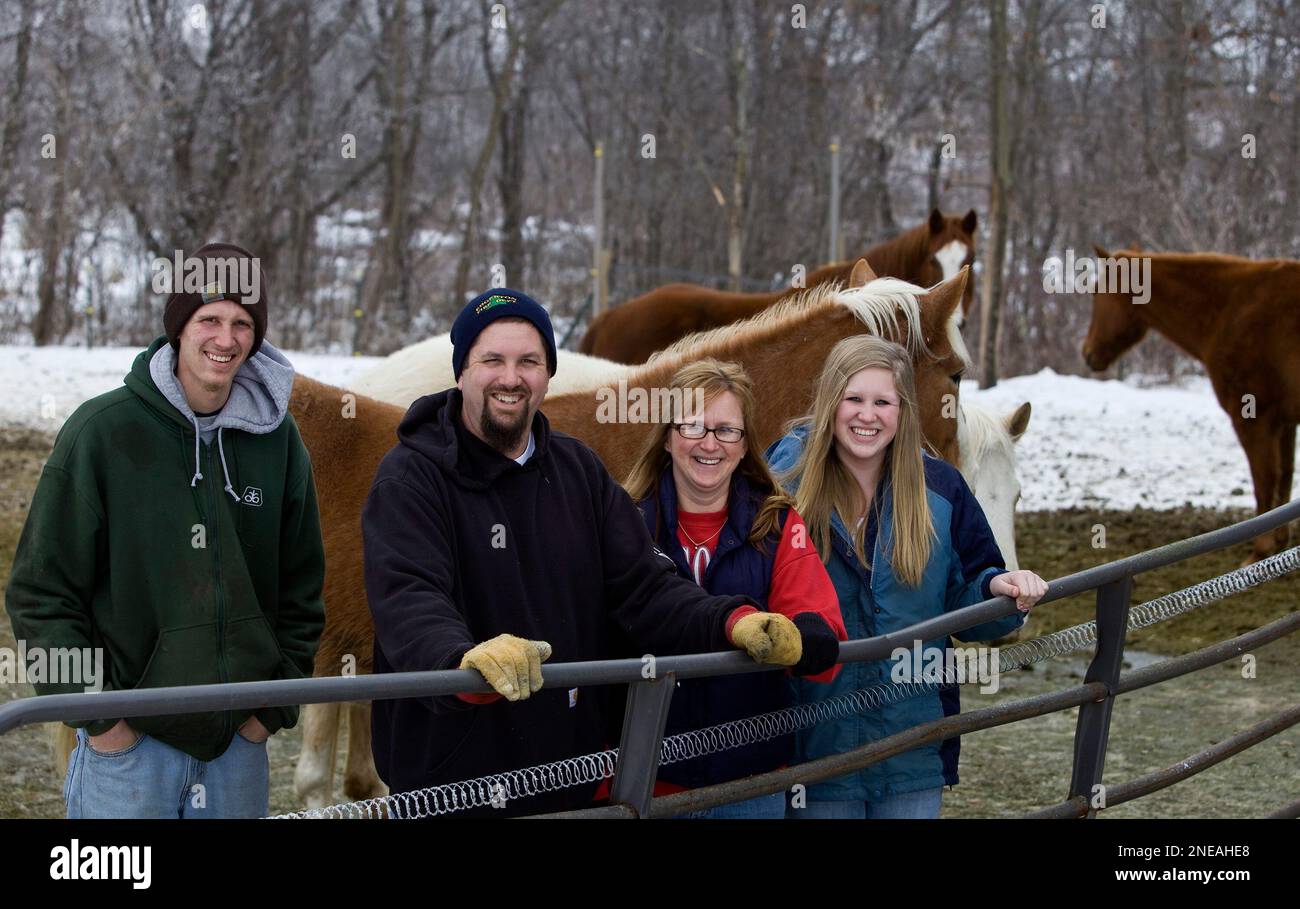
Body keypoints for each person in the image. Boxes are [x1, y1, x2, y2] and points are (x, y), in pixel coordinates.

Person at [361, 288, 816, 818]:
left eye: (529, 361)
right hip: (451, 786)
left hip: (569, 782)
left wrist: (731, 621)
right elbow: (409, 597)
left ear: (547, 375)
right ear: (462, 370)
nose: (511, 377)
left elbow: (644, 588)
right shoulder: (409, 477)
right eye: (492, 360)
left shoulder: (577, 470)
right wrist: (460, 662)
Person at [5, 242, 325, 819]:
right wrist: (102, 722)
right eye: (208, 319)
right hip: (129, 752)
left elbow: (303, 590)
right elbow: (40, 594)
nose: (225, 340)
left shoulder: (279, 443)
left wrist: (268, 712)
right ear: (179, 327)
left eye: (241, 323)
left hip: (236, 749)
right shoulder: (101, 433)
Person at [766, 336, 1048, 819]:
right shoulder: (783, 481)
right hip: (814, 743)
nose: (866, 415)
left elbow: (967, 594)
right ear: (830, 401)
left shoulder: (941, 488)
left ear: (904, 410)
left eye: (883, 402)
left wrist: (995, 593)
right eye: (853, 399)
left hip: (912, 745)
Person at [622, 358, 846, 818]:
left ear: (745, 446)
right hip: (646, 778)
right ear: (666, 437)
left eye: (726, 430)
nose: (709, 444)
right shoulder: (625, 523)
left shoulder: (777, 523)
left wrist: (808, 634)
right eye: (693, 427)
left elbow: (819, 623)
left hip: (750, 779)